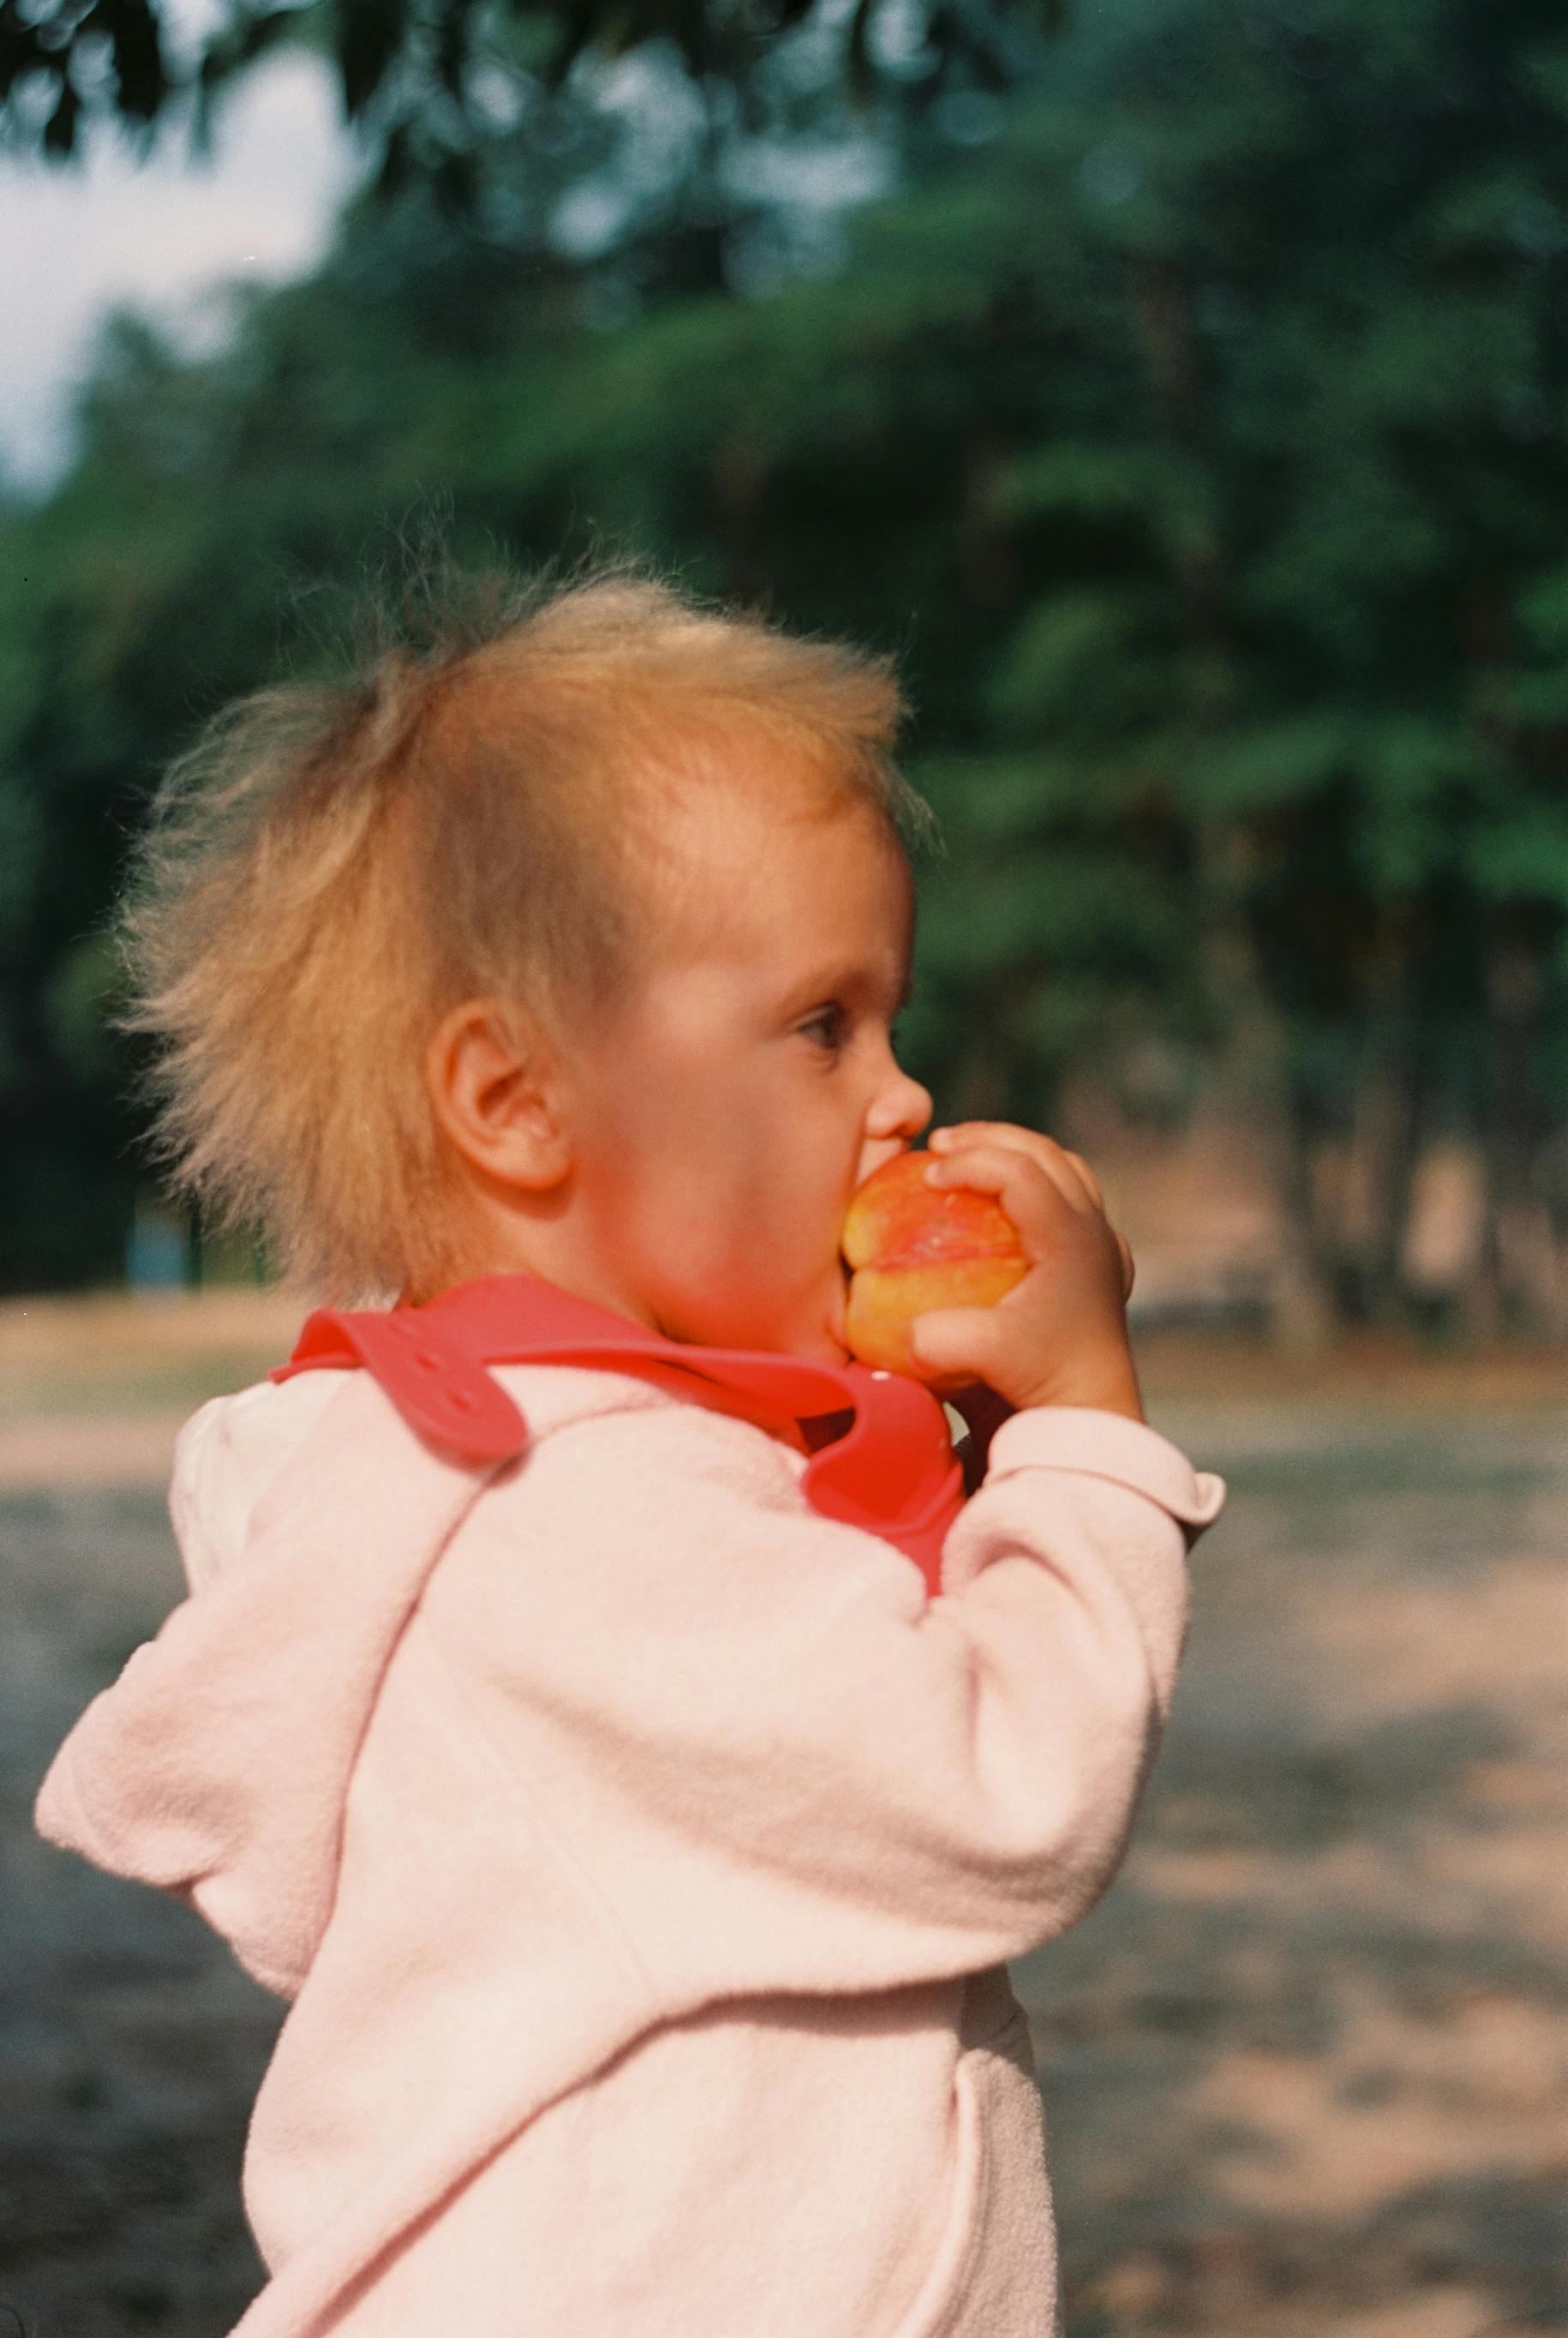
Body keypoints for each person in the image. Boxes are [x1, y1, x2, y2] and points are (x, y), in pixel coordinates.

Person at [34, 558, 1224, 2338]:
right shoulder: (571, 1516)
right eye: (823, 1023)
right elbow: (1002, 1790)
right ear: (516, 1105)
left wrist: (965, 1442)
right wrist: (1079, 1431)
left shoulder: (544, 1475)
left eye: (889, 1018)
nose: (900, 1095)